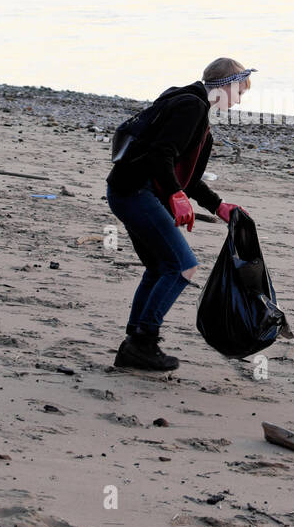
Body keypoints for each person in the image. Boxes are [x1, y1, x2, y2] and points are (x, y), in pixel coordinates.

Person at [105, 58, 254, 371]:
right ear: (225, 86)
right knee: (183, 267)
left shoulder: (193, 108)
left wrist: (217, 204)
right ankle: (143, 342)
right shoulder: (192, 107)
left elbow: (186, 173)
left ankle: (135, 344)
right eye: (239, 91)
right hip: (134, 192)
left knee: (160, 267)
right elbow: (162, 154)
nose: (239, 99)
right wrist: (175, 195)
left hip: (126, 191)